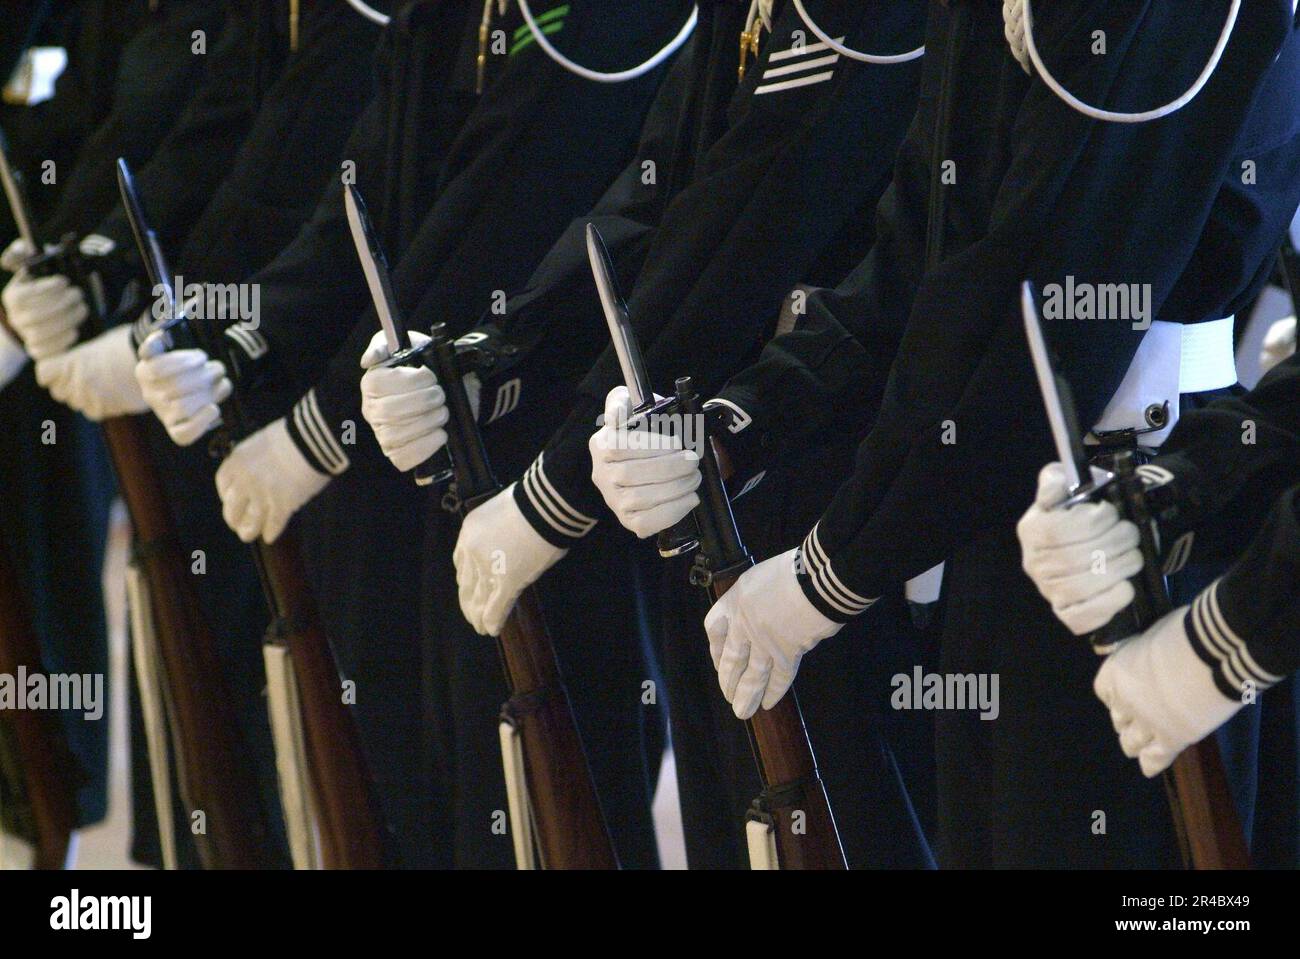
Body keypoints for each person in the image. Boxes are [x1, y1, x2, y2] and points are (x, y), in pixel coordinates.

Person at [566, 0, 1300, 866]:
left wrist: (830, 571)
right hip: (1003, 518)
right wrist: (734, 426)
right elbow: (918, 256)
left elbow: (1044, 288)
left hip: (1140, 517)